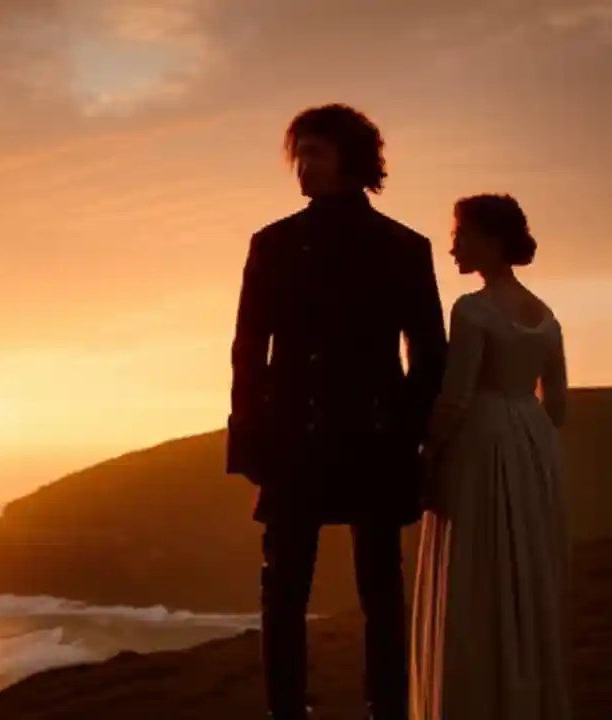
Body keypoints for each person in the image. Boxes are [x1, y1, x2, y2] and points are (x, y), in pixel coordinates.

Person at [227, 103, 448, 720]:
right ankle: (287, 711)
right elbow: (248, 348)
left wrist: (400, 428)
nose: (302, 166)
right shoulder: (271, 244)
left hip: (374, 442)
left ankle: (388, 709)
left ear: (351, 159)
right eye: (298, 153)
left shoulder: (404, 247)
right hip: (292, 440)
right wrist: (250, 439)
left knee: (381, 586)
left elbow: (430, 352)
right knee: (283, 591)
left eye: (315, 153)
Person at [409, 194, 572, 719]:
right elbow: (559, 404)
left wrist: (429, 452)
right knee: (523, 572)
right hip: (533, 443)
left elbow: (455, 398)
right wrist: (530, 438)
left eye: (461, 232)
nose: (453, 243)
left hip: (483, 446)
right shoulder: (546, 317)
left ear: (490, 239)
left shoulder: (472, 310)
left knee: (477, 575)